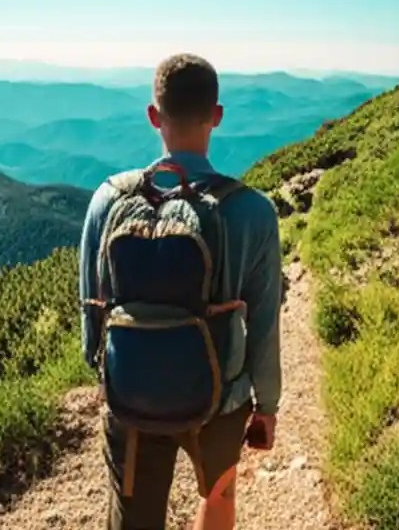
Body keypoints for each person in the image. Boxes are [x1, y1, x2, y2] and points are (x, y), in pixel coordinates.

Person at [78, 53, 283, 530]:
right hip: (222, 398)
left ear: (154, 116)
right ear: (217, 116)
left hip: (133, 394)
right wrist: (266, 405)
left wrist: (105, 373)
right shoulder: (252, 211)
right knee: (218, 498)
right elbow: (265, 322)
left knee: (134, 516)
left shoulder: (109, 198)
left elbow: (91, 304)